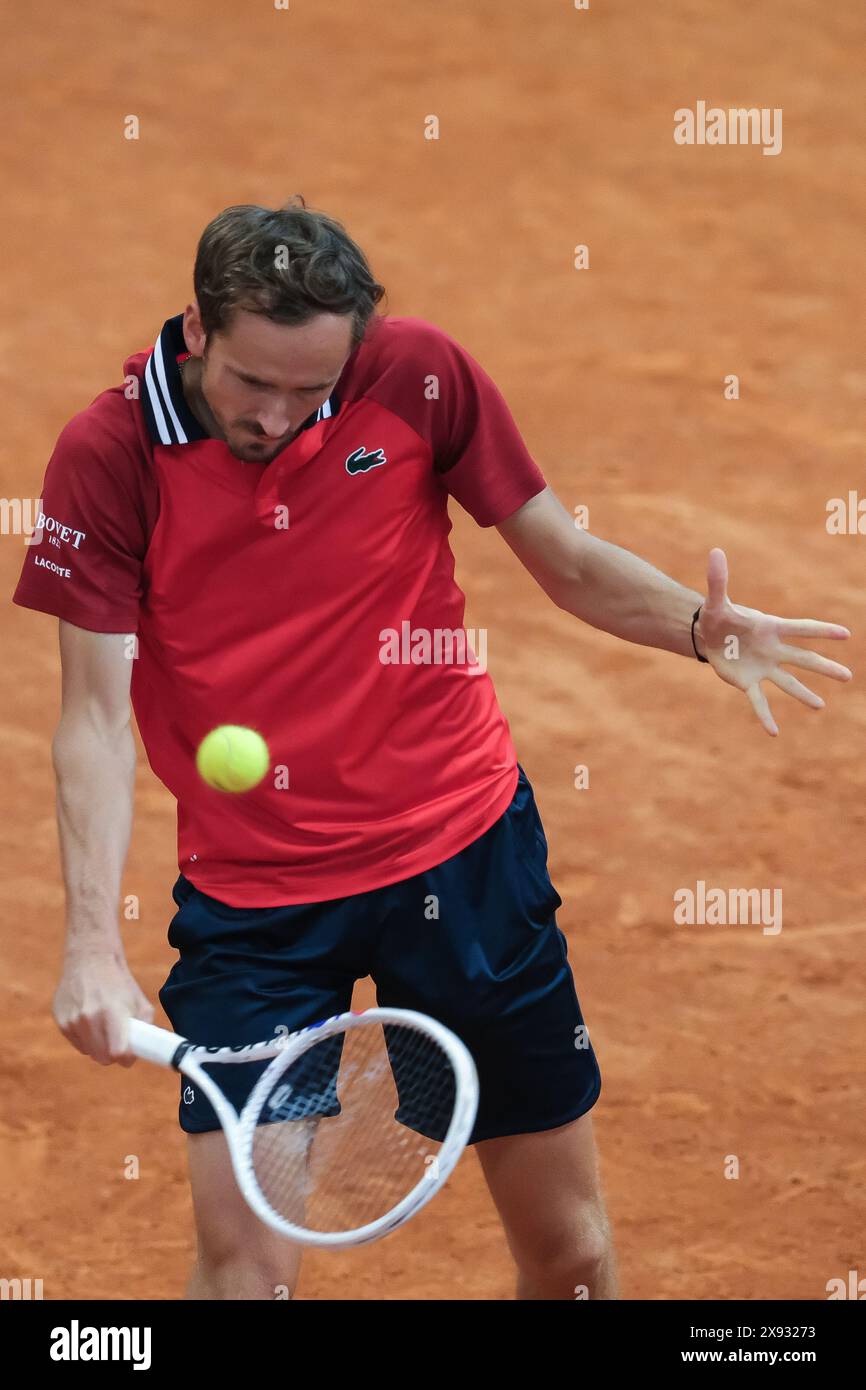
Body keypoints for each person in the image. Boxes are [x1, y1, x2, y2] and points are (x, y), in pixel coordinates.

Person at [13, 199, 851, 1300]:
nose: (276, 418)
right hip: (257, 901)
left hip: (462, 860)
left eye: (309, 392)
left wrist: (697, 629)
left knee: (575, 1260)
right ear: (196, 328)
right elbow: (93, 715)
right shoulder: (108, 454)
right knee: (246, 1278)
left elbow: (562, 559)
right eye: (250, 385)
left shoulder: (416, 376)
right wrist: (88, 940)